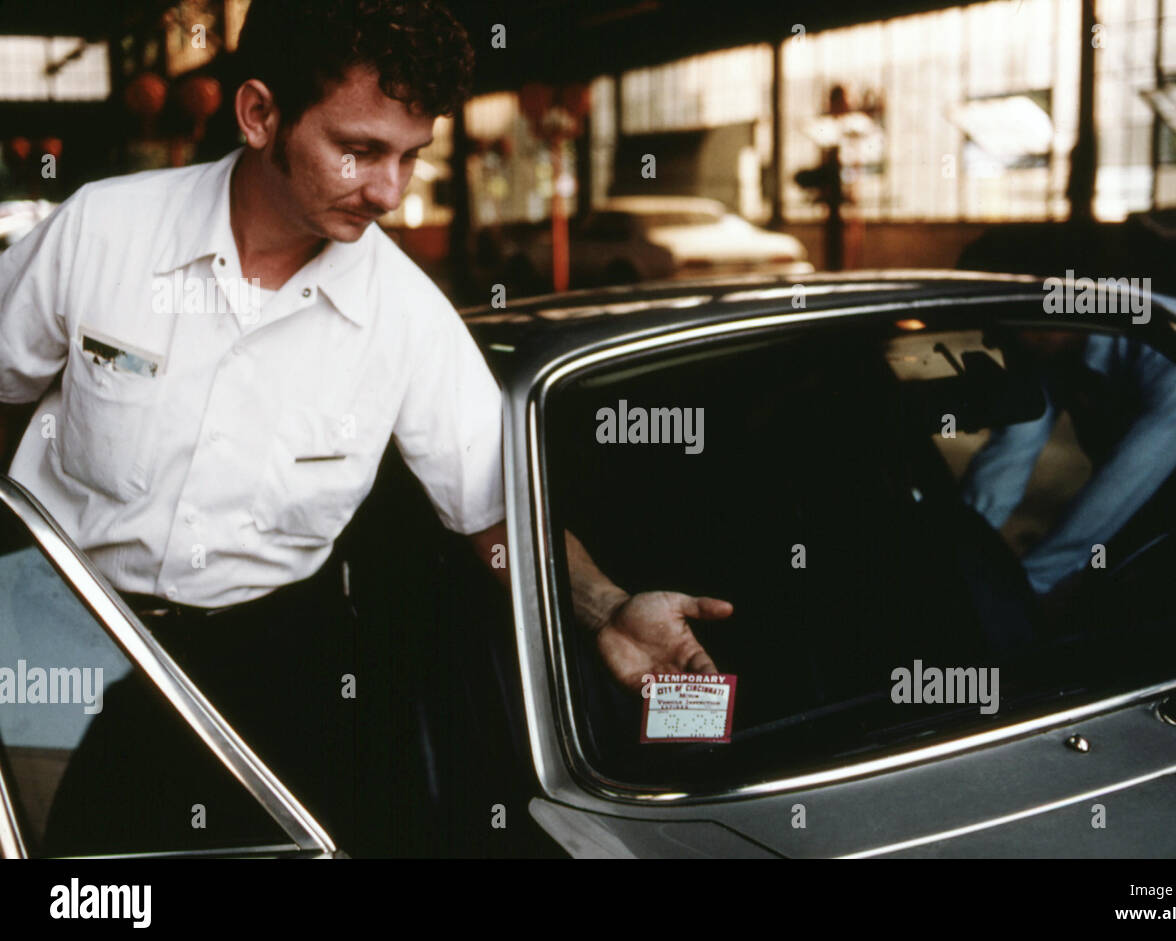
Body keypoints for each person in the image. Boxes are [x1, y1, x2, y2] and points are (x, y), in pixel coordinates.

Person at [0, 0, 731, 854]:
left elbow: (494, 510)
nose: (391, 191)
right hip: (60, 644)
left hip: (267, 673)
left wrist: (604, 608)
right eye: (359, 150)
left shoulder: (407, 318)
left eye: (411, 157)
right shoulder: (102, 232)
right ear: (260, 113)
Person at [960, 299, 1176, 597]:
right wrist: (957, 547)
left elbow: (1128, 477)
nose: (989, 341)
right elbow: (1011, 451)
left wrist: (1029, 582)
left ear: (1044, 320)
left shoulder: (1167, 344)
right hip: (1153, 476)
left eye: (996, 327)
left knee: (1153, 600)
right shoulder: (1049, 342)